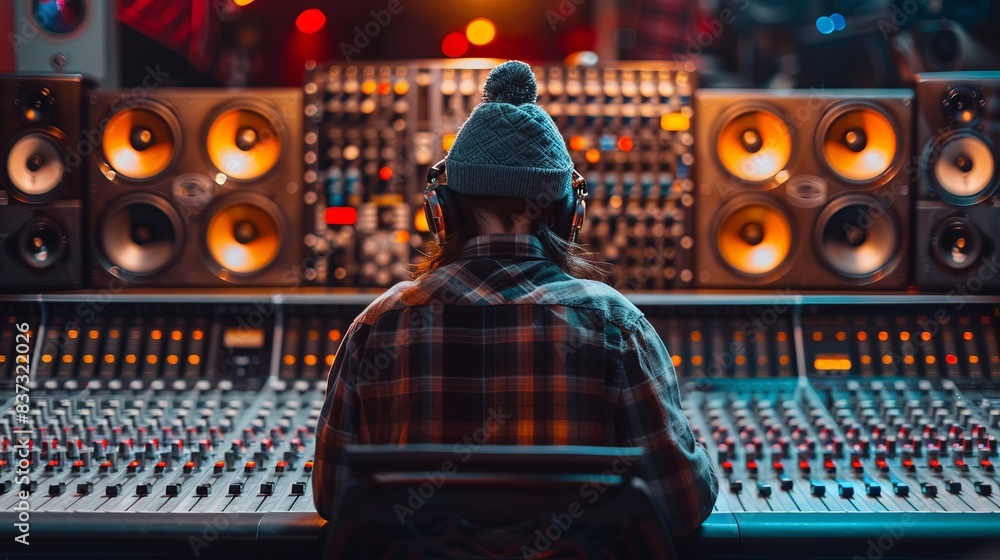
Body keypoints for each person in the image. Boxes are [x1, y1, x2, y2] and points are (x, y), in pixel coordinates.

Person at [313, 60, 717, 537]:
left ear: (441, 213)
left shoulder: (379, 325)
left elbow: (333, 497)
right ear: (570, 215)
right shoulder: (616, 326)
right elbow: (684, 503)